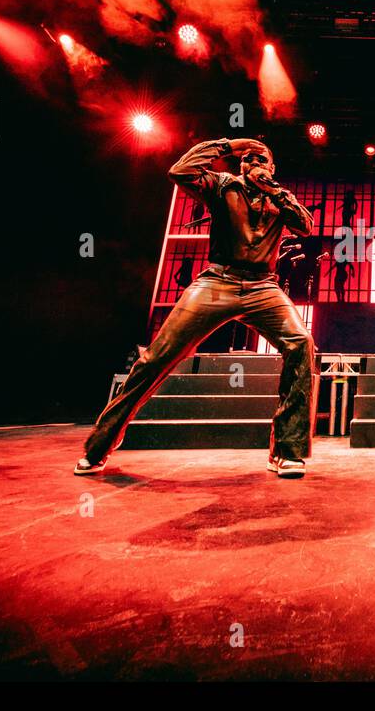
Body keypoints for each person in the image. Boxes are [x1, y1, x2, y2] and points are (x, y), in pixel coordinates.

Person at [76, 137, 317, 479]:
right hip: (217, 282)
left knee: (301, 341)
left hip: (264, 285)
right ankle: (98, 445)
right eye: (247, 159)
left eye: (261, 158)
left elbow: (305, 226)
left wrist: (274, 189)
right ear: (239, 164)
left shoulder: (280, 197)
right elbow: (180, 171)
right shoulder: (221, 186)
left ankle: (287, 452)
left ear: (272, 167)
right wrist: (227, 144)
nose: (254, 162)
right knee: (156, 356)